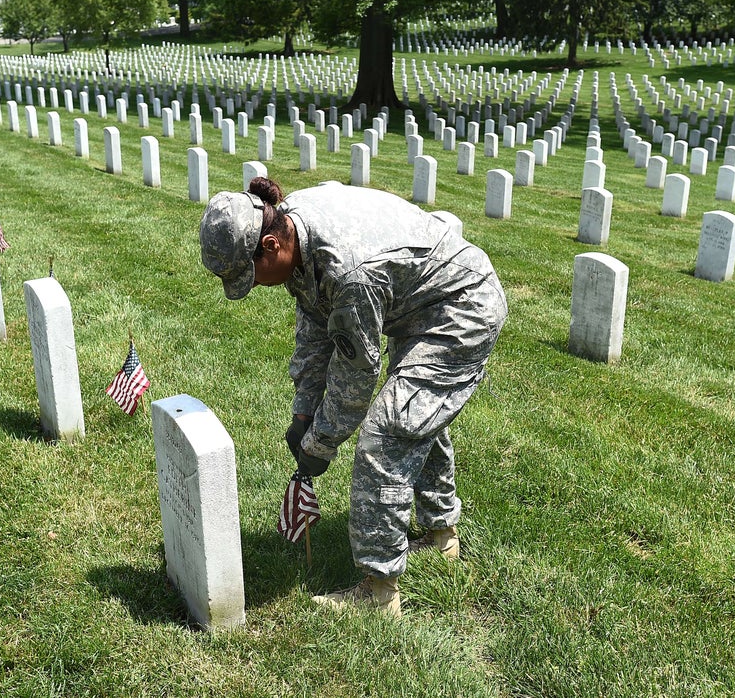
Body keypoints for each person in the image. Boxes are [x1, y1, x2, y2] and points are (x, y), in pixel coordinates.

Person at [200, 176, 507, 616]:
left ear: (270, 246)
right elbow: (314, 321)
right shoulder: (292, 226)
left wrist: (321, 444)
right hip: (414, 304)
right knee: (417, 416)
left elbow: (356, 376)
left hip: (461, 306)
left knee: (390, 431)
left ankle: (379, 591)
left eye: (251, 275)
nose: (256, 287)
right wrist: (304, 411)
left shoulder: (349, 272)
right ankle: (442, 538)